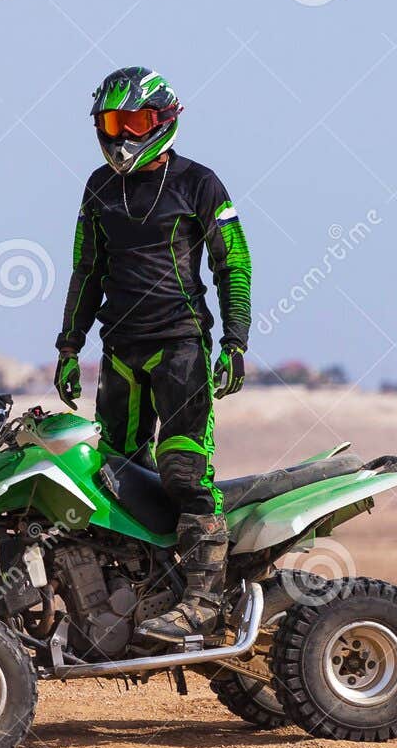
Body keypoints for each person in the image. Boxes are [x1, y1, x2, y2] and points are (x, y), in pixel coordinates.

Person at [53, 67, 252, 642]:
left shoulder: (200, 183)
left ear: (164, 121)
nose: (121, 136)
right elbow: (85, 271)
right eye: (112, 123)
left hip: (182, 351)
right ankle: (136, 592)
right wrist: (69, 346)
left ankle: (205, 602)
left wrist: (236, 342)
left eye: (134, 122)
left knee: (185, 469)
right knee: (109, 477)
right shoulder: (97, 188)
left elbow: (232, 263)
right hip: (119, 354)